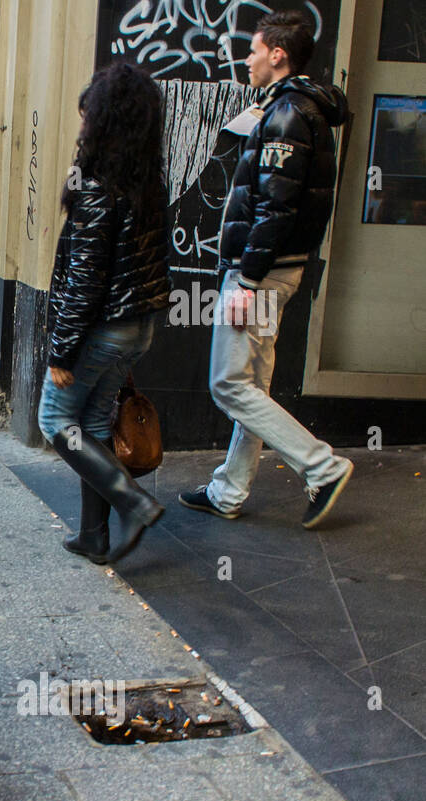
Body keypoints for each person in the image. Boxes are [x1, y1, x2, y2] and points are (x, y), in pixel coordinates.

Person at [181, 10, 354, 530]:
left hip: (261, 273)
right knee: (251, 383)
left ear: (277, 54)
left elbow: (275, 209)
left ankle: (323, 466)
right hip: (279, 270)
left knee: (229, 387)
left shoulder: (287, 116)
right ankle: (228, 490)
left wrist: (248, 281)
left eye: (254, 49)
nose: (247, 58)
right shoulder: (295, 110)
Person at [37, 63, 171, 565]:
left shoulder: (96, 183)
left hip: (101, 329)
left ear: (104, 122)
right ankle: (93, 536)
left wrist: (61, 350)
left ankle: (132, 502)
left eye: (86, 117)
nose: (80, 127)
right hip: (138, 327)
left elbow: (85, 280)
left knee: (54, 419)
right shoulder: (146, 180)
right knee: (92, 424)